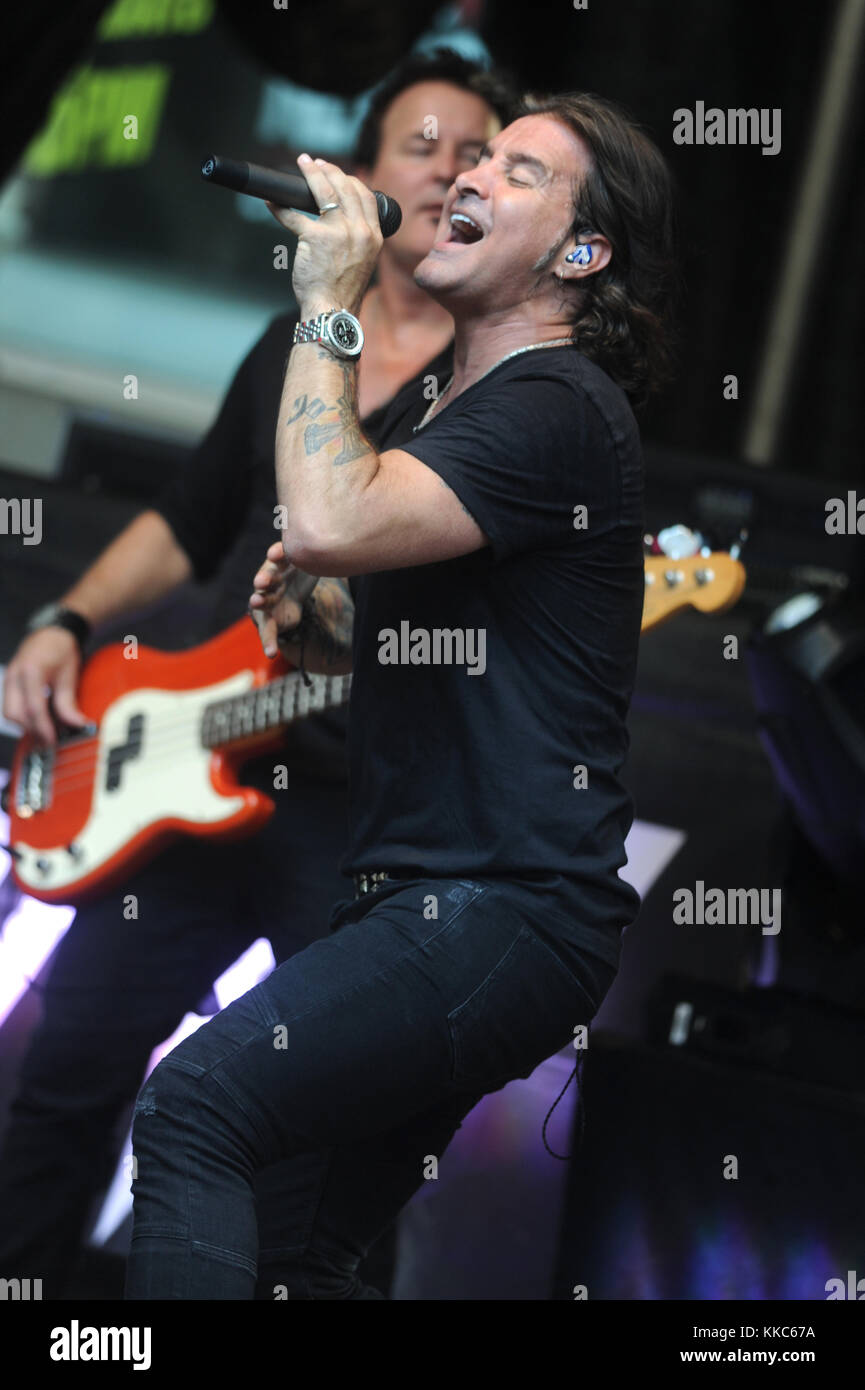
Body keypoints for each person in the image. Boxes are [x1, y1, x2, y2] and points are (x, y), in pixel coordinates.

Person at [124, 90, 677, 1300]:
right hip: (434, 901)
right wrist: (317, 600)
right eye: (478, 158)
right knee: (290, 1254)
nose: (471, 176)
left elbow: (330, 510)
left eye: (519, 171)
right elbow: (368, 610)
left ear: (582, 255)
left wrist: (328, 303)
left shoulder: (556, 400)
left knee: (196, 1107)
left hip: (499, 904)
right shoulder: (458, 406)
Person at [0, 48, 512, 1301]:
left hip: (355, 808)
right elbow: (191, 514)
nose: (445, 170)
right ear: (360, 176)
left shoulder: (500, 388)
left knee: (335, 1131)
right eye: (420, 146)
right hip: (189, 755)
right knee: (64, 1075)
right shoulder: (295, 339)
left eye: (474, 154)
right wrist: (65, 616)